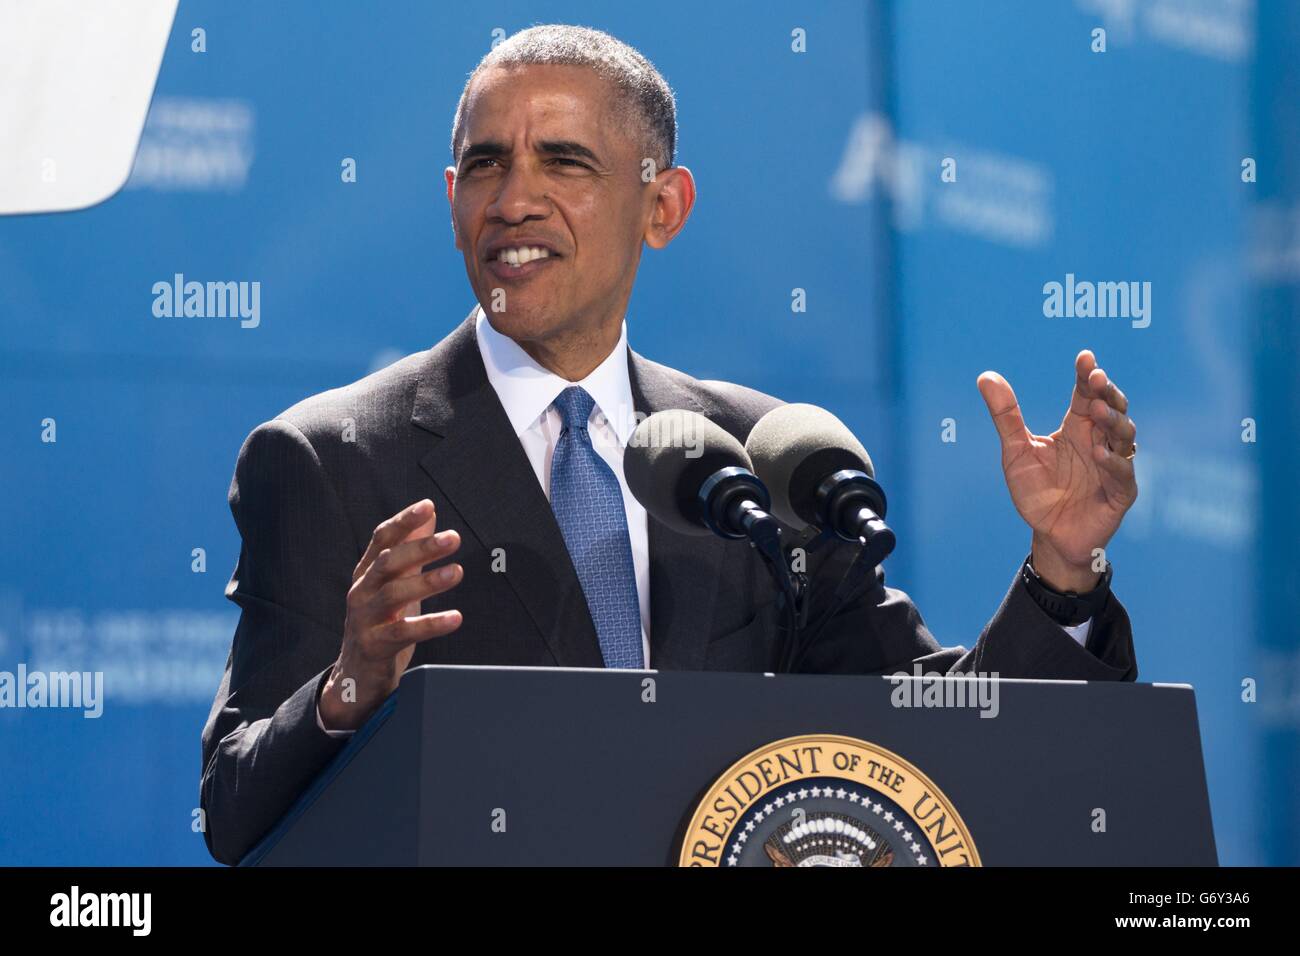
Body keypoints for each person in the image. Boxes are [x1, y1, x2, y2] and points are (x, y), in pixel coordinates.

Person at [200, 25, 1140, 866]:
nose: (514, 199)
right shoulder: (330, 458)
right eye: (486, 165)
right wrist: (347, 690)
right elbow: (234, 813)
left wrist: (1063, 567)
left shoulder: (767, 459)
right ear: (453, 200)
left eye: (564, 162)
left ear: (664, 206)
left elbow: (937, 749)